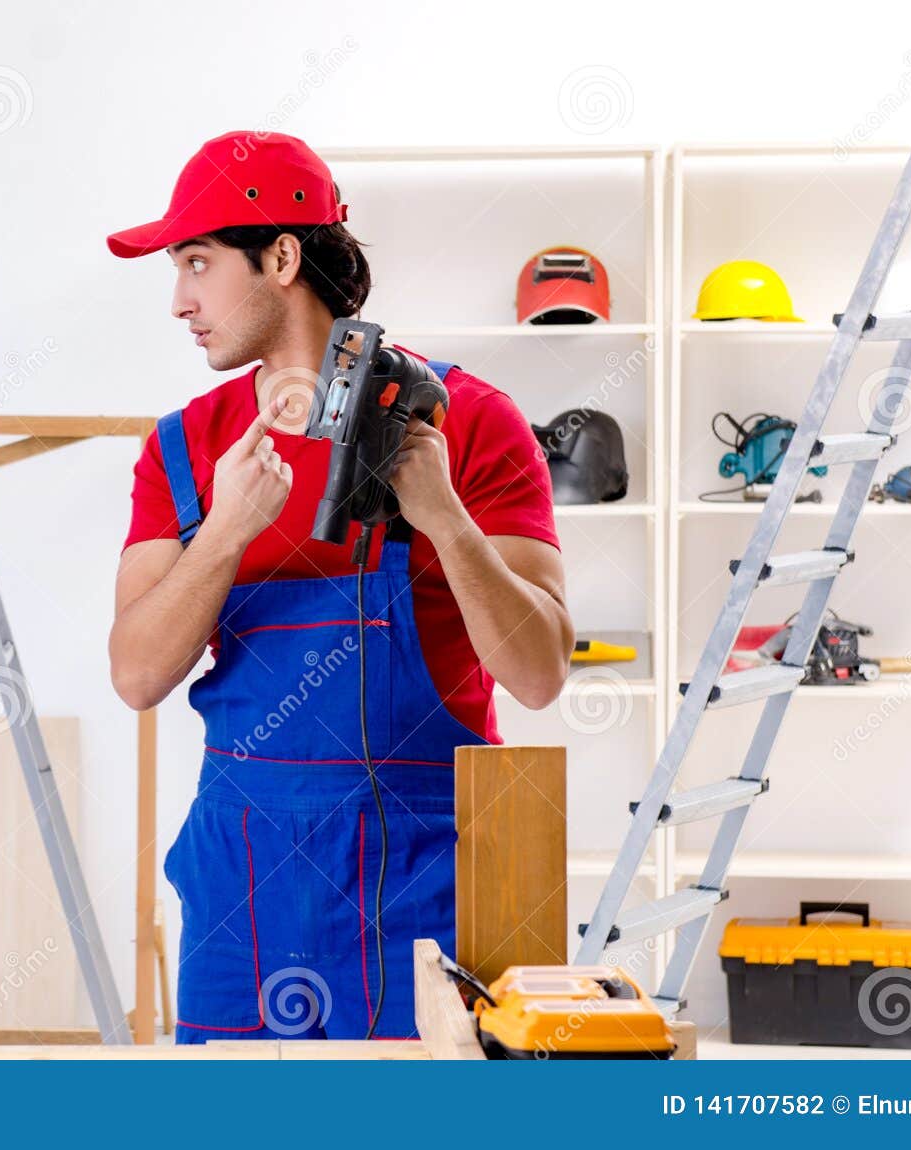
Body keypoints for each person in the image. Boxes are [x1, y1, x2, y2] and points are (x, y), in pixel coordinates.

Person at [106, 132, 571, 1041]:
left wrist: (442, 516)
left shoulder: (464, 419)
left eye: (197, 263)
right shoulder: (184, 447)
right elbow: (135, 675)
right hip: (245, 879)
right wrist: (227, 532)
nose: (179, 301)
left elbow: (540, 673)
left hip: (429, 878)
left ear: (281, 258)